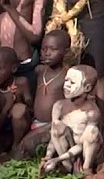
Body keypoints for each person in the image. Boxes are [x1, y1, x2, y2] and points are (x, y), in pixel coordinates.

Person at [17, 28, 69, 158]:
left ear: (66, 52)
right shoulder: (40, 71)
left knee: (26, 147)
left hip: (53, 126)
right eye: (44, 49)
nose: (47, 53)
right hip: (35, 122)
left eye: (53, 49)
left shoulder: (67, 76)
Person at [0, 47, 32, 154]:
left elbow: (30, 108)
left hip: (20, 126)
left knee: (19, 109)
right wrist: (8, 105)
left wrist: (19, 99)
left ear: (14, 68)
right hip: (1, 127)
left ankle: (16, 145)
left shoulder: (21, 83)